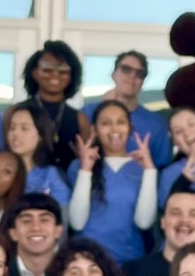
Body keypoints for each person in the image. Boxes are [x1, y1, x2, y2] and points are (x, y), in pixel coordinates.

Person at [68, 101, 160, 262]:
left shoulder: (142, 168)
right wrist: (85, 171)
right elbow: (76, 222)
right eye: (105, 123)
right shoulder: (78, 166)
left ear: (130, 128)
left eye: (120, 122)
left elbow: (144, 222)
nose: (114, 129)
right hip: (87, 261)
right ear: (94, 130)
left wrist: (150, 171)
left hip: (130, 261)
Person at [19, 39, 89, 169]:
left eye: (63, 70)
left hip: (69, 187)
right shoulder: (16, 113)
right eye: (47, 69)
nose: (55, 75)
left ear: (71, 76)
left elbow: (86, 162)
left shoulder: (80, 119)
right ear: (34, 73)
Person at [104, 49, 171, 167]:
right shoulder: (87, 114)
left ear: (143, 81)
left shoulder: (156, 123)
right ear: (114, 75)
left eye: (140, 73)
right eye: (126, 69)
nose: (132, 76)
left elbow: (162, 169)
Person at [6, 194, 66, 276]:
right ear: (13, 233)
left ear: (58, 231)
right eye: (26, 221)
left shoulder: (74, 271)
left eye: (44, 220)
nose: (36, 227)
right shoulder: (0, 274)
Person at [2, 103, 70, 203]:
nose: (15, 133)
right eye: (12, 128)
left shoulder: (50, 175)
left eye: (24, 128)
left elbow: (62, 212)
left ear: (41, 135)